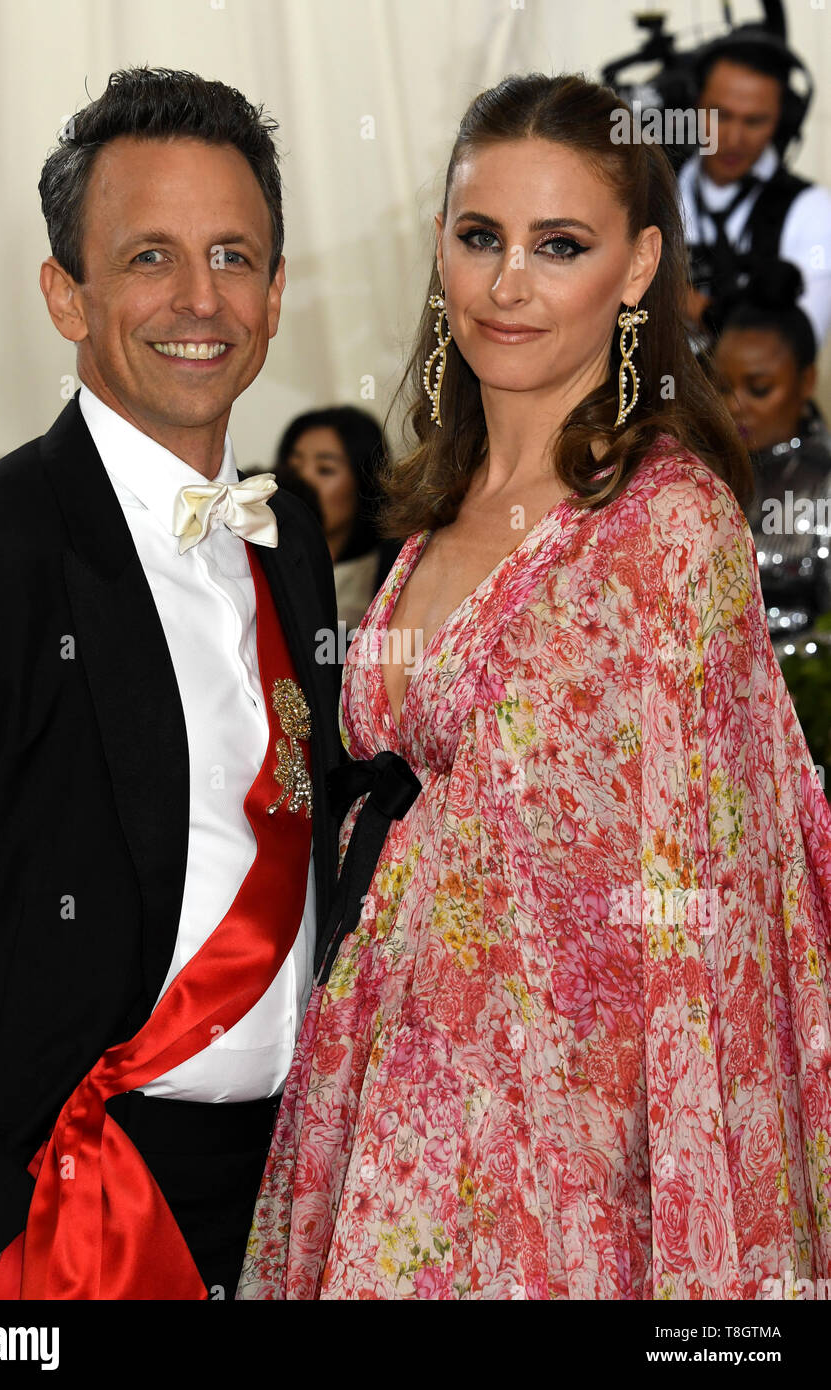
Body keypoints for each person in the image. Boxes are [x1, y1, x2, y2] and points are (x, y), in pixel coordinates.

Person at [237, 71, 831, 1301]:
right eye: (478, 236)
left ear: (634, 266)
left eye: (557, 244)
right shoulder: (425, 512)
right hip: (370, 1113)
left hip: (558, 1179)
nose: (507, 283)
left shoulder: (667, 529)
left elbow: (710, 914)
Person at [0, 66, 343, 1301]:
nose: (200, 299)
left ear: (272, 289)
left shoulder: (290, 538)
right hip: (62, 1204)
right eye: (149, 256)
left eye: (234, 255)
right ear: (66, 293)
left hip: (286, 1191)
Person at [678, 26, 831, 351]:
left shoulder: (812, 210)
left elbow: (790, 347)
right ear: (693, 104)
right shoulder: (650, 188)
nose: (734, 139)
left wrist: (692, 307)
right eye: (720, 116)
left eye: (754, 121)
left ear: (783, 121)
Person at [710, 260, 831, 640]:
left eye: (758, 388)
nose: (735, 406)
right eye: (722, 387)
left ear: (806, 380)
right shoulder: (694, 472)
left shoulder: (825, 483)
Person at [276, 406, 403, 633]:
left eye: (325, 470)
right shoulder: (266, 563)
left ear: (365, 483)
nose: (303, 481)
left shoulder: (393, 580)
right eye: (294, 467)